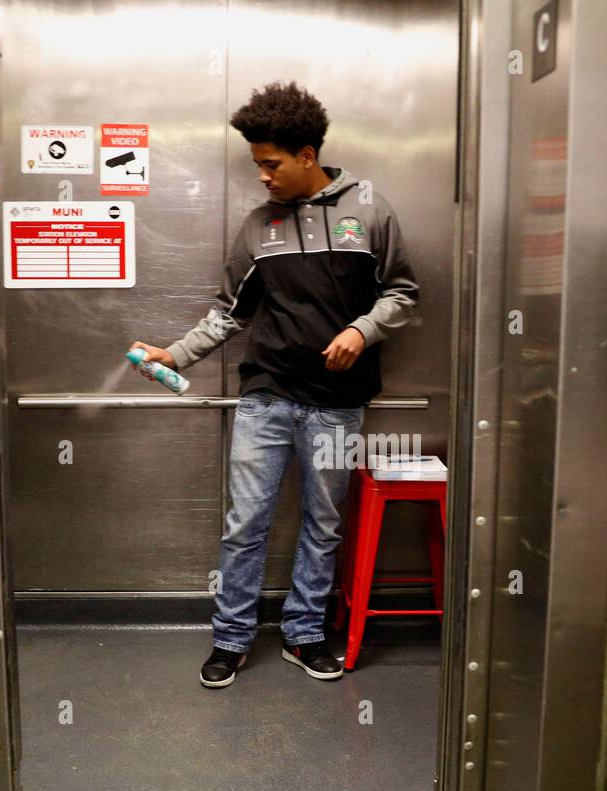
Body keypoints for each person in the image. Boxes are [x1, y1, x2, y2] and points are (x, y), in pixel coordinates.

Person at [130, 81, 420, 689]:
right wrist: (175, 356)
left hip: (338, 406)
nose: (263, 176)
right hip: (266, 398)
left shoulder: (369, 209)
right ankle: (231, 640)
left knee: (323, 524)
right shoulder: (259, 226)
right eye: (257, 165)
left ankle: (304, 635)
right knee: (245, 524)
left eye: (271, 164)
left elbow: (402, 294)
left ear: (307, 156)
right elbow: (230, 312)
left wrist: (362, 332)